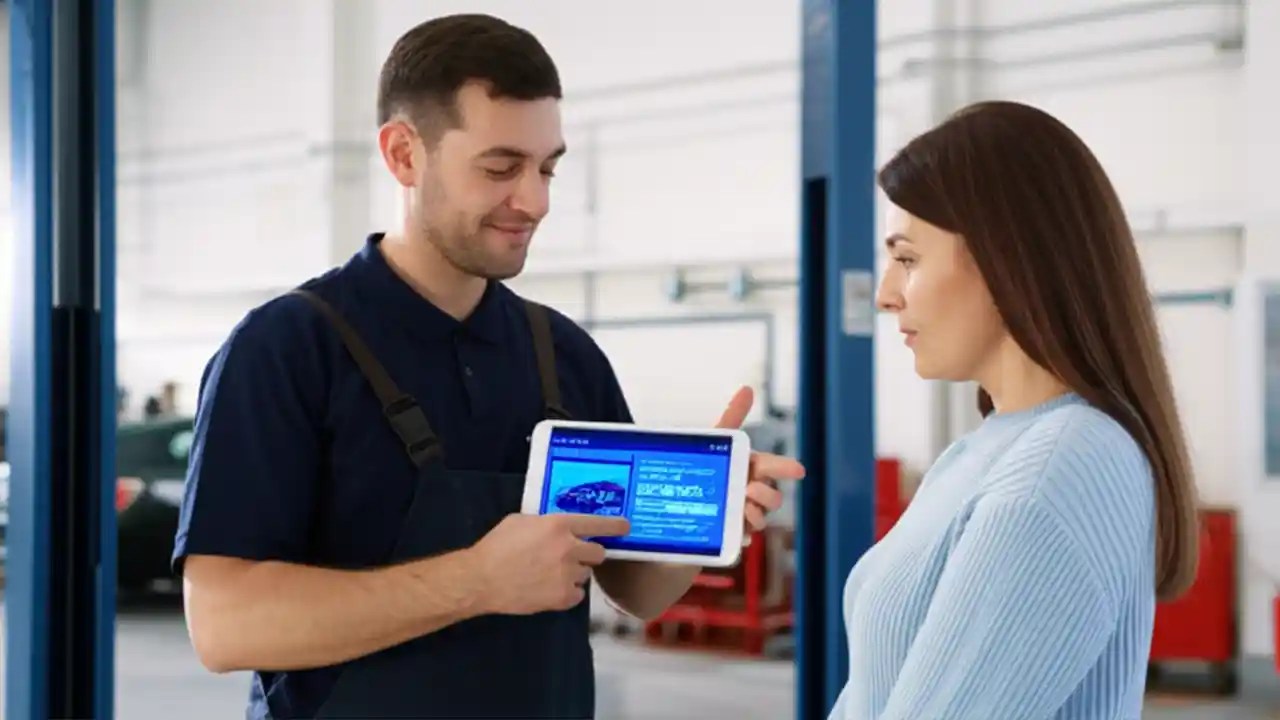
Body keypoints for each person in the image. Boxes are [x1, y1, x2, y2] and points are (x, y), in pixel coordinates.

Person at [174, 13, 804, 720]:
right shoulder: (287, 348)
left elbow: (636, 589)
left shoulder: (564, 354)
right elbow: (227, 625)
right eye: (501, 168)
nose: (534, 200)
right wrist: (477, 580)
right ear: (404, 155)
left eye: (547, 168)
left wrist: (705, 516)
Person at [830, 100, 1199, 720]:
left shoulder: (1058, 467)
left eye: (909, 259)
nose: (888, 294)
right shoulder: (986, 451)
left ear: (1006, 260)